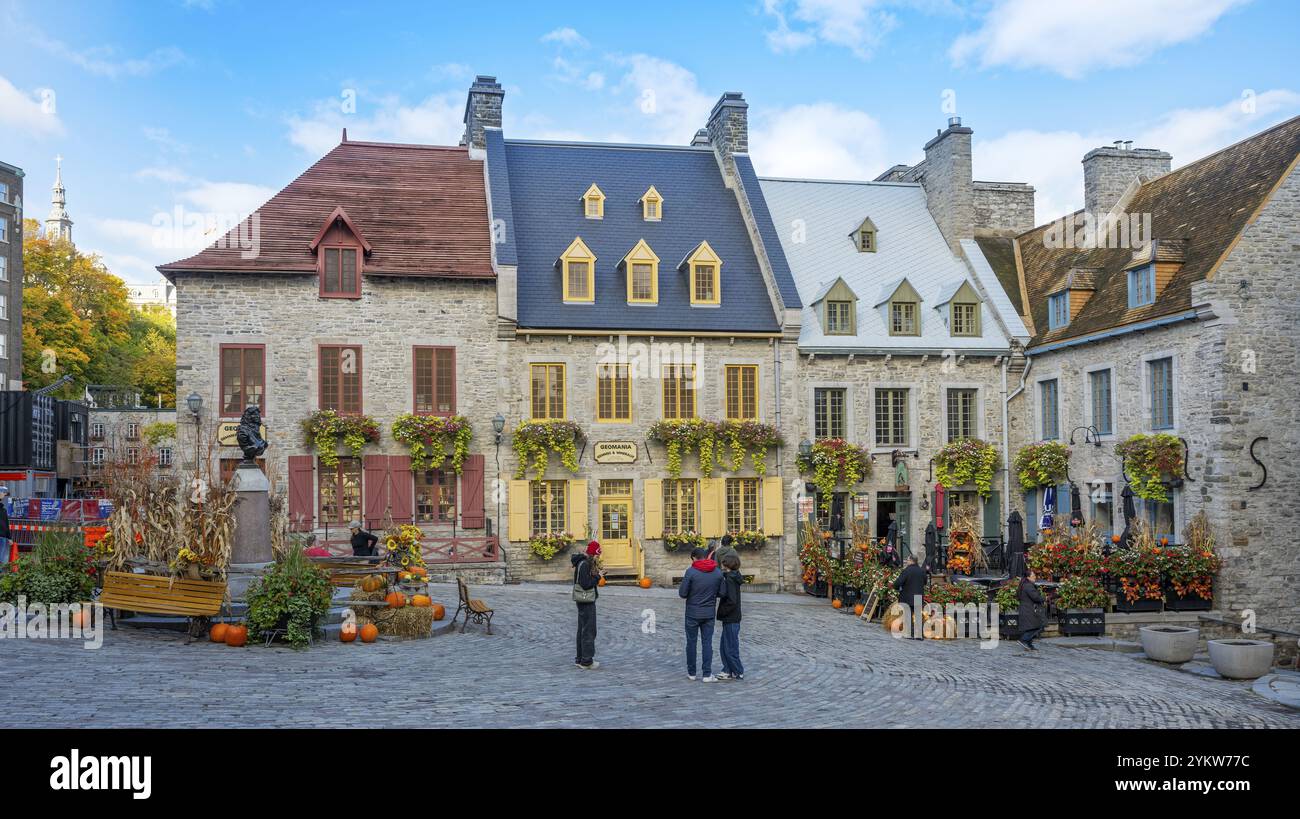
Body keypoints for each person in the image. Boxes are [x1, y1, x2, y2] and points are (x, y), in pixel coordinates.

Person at [678, 546, 723, 681]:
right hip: (708, 613)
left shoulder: (691, 572)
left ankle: (692, 673)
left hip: (692, 612)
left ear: (694, 558)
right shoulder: (717, 572)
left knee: (691, 643)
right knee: (707, 643)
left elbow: (682, 593)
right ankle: (707, 674)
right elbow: (722, 592)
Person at [572, 540, 603, 669]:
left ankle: (580, 659)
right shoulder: (584, 564)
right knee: (589, 631)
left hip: (582, 602)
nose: (598, 557)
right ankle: (586, 661)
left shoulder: (582, 562)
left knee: (583, 630)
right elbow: (585, 584)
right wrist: (598, 577)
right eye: (597, 555)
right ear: (592, 554)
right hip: (586, 601)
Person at [715, 551, 744, 681]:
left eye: (723, 563)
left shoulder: (731, 579)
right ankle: (727, 670)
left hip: (731, 617)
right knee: (724, 645)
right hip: (731, 618)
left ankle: (737, 671)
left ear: (727, 564)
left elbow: (731, 600)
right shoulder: (731, 576)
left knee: (730, 646)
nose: (721, 565)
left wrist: (721, 612)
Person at [892, 555, 927, 640]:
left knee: (908, 615)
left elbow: (898, 583)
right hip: (918, 595)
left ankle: (910, 634)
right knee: (918, 615)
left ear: (911, 561)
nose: (907, 562)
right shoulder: (921, 571)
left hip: (907, 596)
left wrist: (896, 587)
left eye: (907, 560)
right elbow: (925, 582)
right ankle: (919, 635)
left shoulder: (907, 570)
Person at [1017, 569, 1046, 651]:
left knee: (1032, 627)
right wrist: (1044, 598)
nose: (1035, 577)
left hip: (1027, 609)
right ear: (1028, 577)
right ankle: (1023, 640)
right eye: (1033, 576)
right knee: (1037, 626)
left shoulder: (1026, 584)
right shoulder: (1028, 586)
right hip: (1029, 609)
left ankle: (1029, 645)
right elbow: (1036, 597)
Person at [0, 486, 11, 565]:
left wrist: (9, 538)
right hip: (2, 536)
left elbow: (6, 524)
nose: (4, 495)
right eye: (3, 493)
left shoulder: (3, 510)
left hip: (3, 536)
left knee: (2, 557)